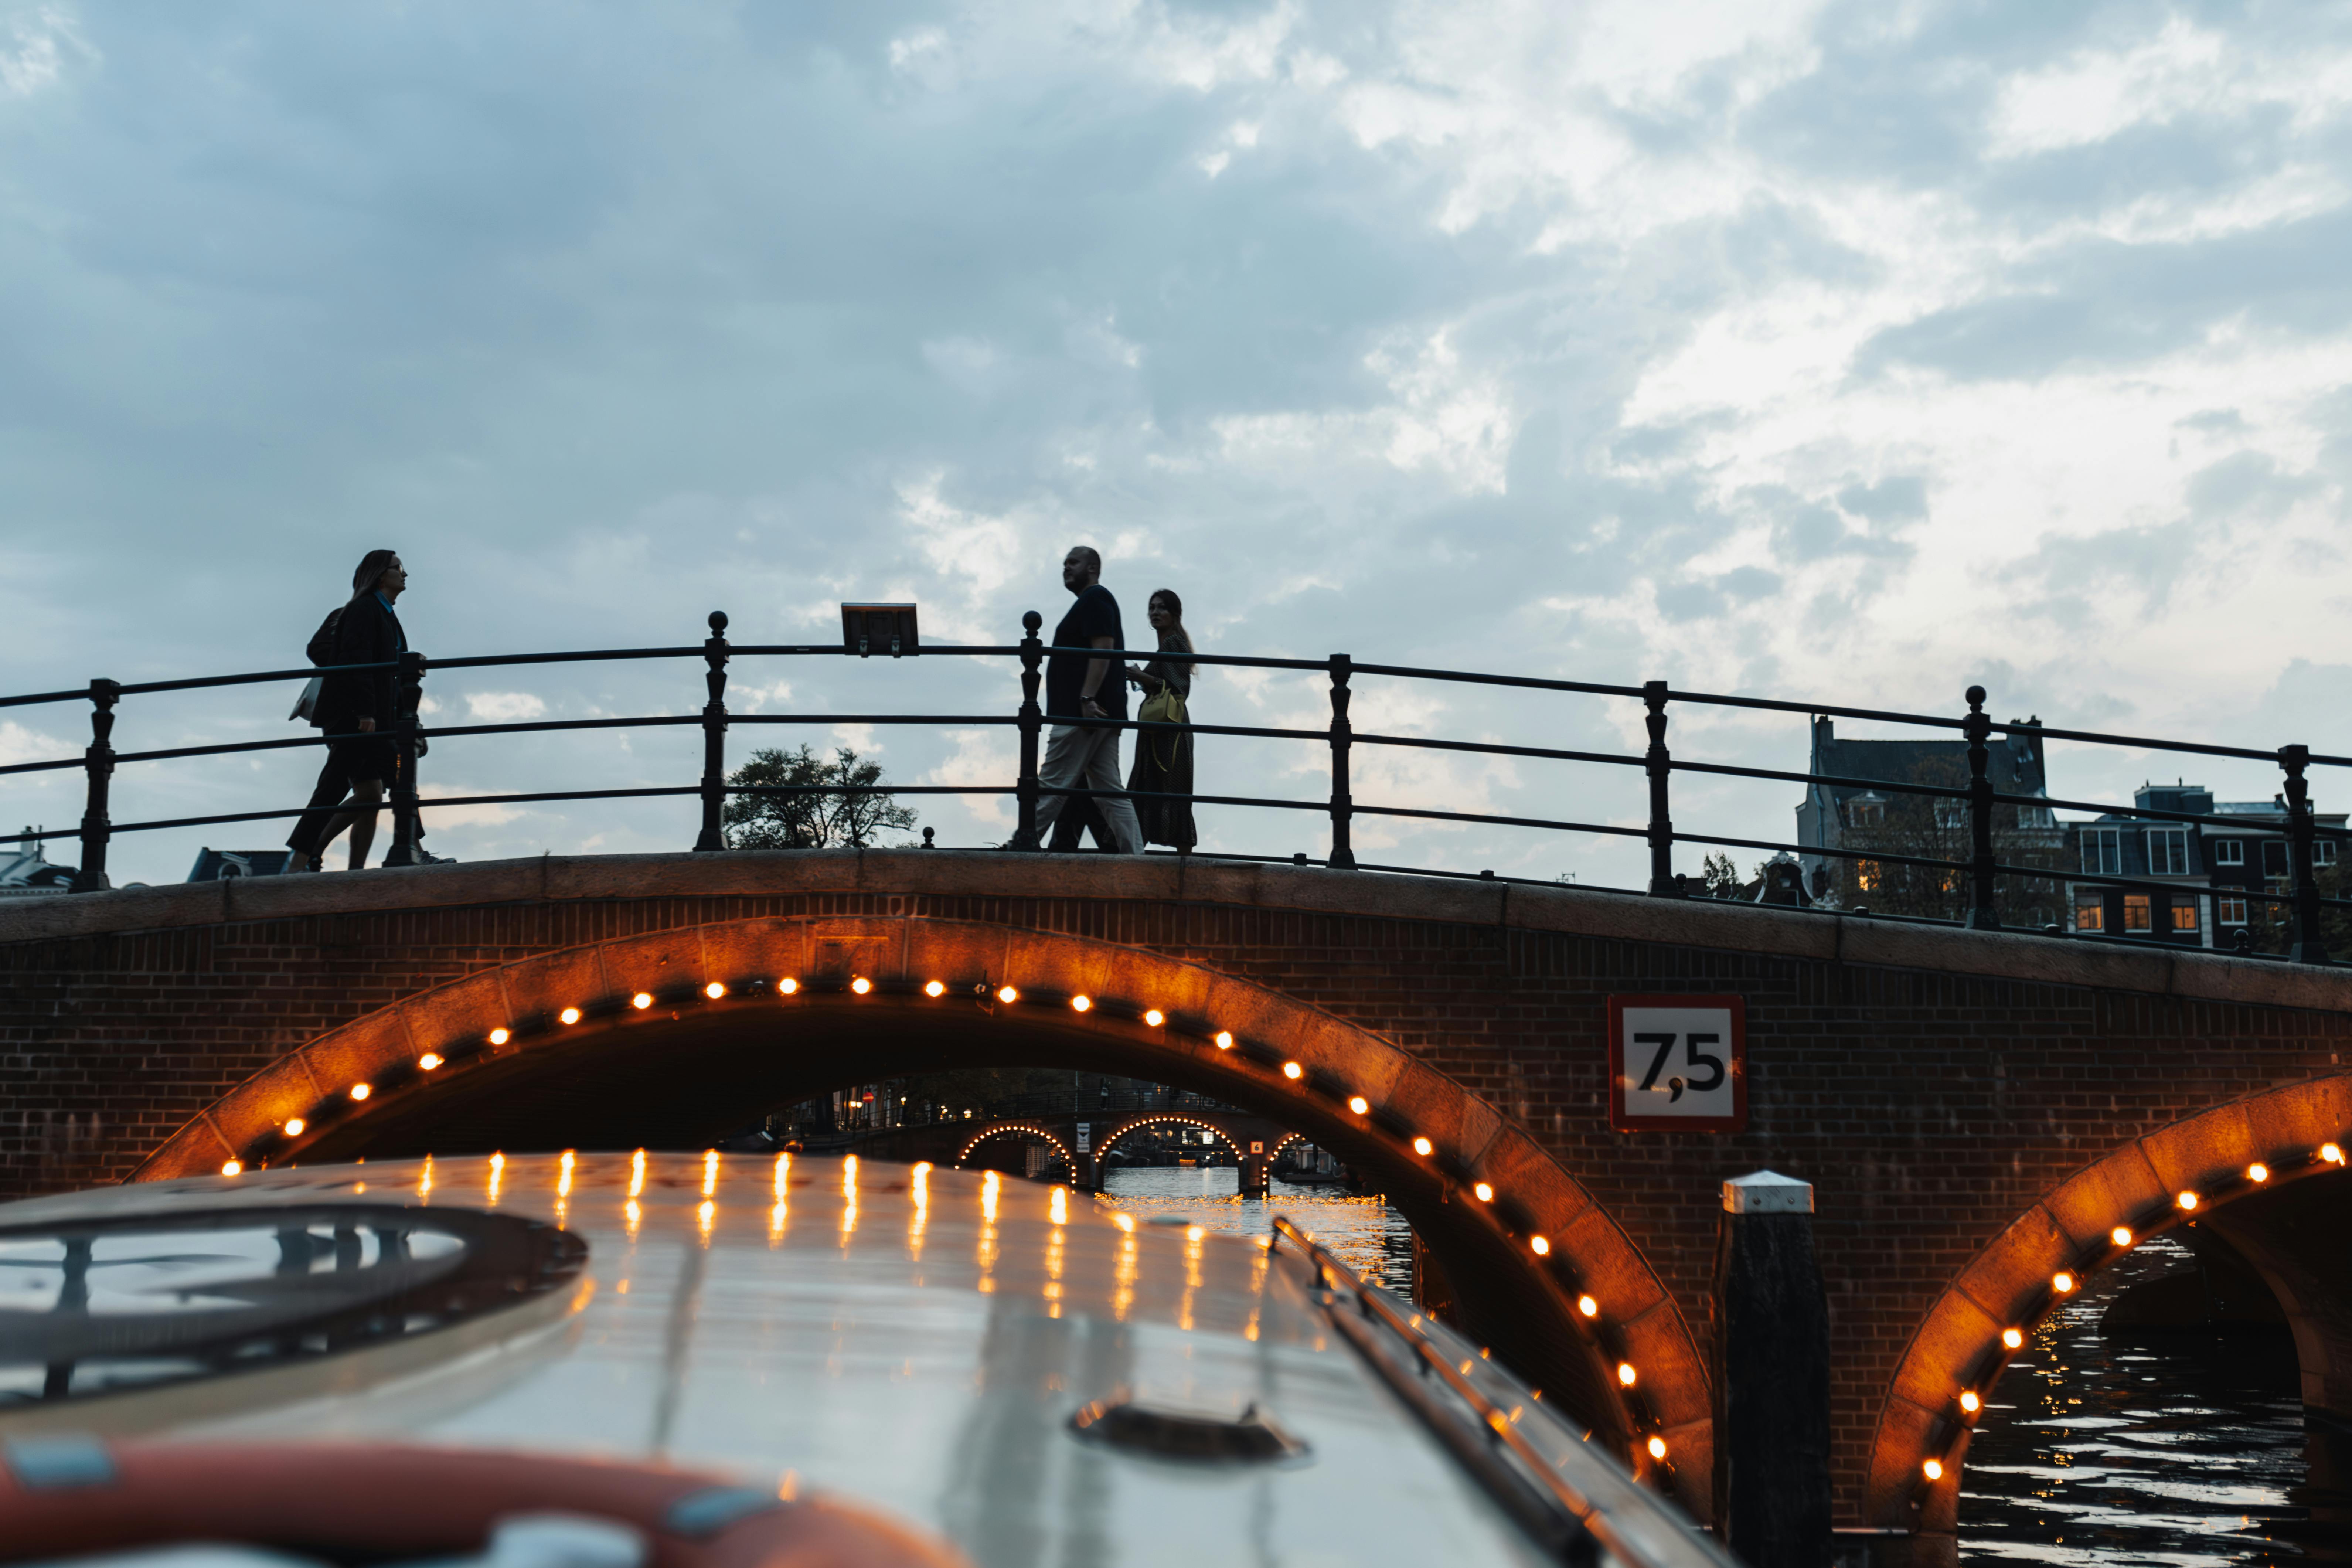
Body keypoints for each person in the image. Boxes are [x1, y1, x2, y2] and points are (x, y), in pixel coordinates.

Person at [286, 550, 413, 870]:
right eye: (399, 568)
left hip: (371, 717)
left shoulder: (387, 617)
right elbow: (348, 658)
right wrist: (364, 709)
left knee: (372, 791)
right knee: (385, 783)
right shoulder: (358, 610)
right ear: (381, 574)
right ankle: (300, 862)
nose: (405, 574)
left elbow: (391, 677)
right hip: (355, 718)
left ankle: (325, 863)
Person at [1030, 545, 1143, 854]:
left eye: (1074, 562)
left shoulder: (1095, 598)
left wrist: (1086, 698)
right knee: (1109, 792)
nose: (1066, 568)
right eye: (1065, 563)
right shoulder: (1093, 600)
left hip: (1082, 713)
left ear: (1092, 568)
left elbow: (1103, 648)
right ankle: (1137, 857)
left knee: (1052, 783)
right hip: (1100, 712)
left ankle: (1021, 844)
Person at [1124, 588, 1196, 850]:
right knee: (1159, 785)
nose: (1155, 613)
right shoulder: (1169, 644)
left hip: (1169, 730)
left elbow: (1179, 688)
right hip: (1163, 728)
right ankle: (1167, 854)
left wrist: (1142, 677)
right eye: (1152, 608)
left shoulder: (1173, 643)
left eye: (1162, 608)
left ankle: (1138, 852)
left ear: (1174, 614)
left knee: (1163, 783)